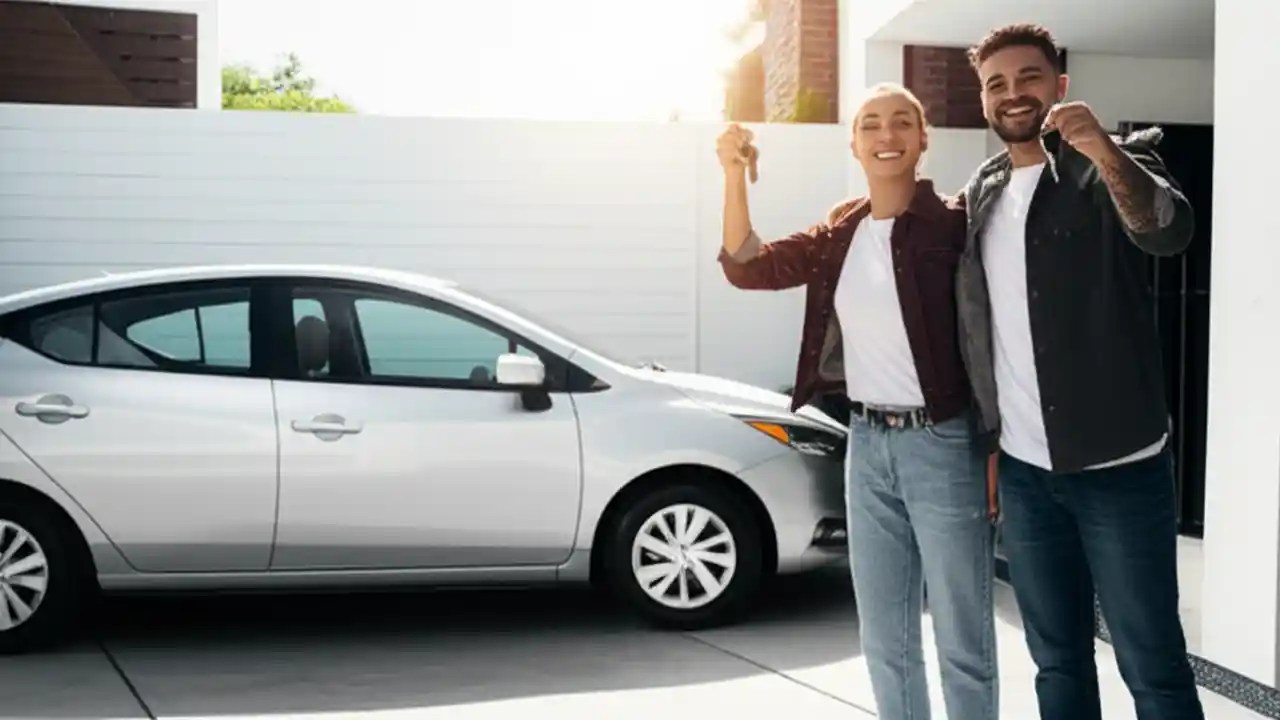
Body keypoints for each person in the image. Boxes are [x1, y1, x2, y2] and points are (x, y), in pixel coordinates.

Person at [716, 83, 997, 720]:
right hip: (866, 447)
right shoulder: (839, 232)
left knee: (963, 636)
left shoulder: (954, 226)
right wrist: (734, 174)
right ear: (854, 142)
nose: (887, 134)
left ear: (924, 139)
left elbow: (991, 339)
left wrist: (994, 444)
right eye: (871, 124)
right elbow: (745, 265)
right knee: (885, 638)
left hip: (945, 444)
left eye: (903, 122)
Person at [956, 23, 1205, 720]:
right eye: (996, 84)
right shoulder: (982, 193)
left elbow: (1169, 230)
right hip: (1030, 475)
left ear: (1059, 85)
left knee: (1150, 662)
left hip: (1121, 468)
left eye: (1028, 77)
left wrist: (1099, 146)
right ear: (983, 99)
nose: (1013, 94)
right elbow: (977, 329)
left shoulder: (1113, 163)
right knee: (1058, 662)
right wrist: (991, 447)